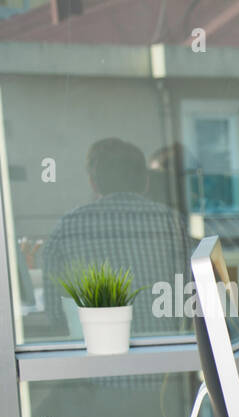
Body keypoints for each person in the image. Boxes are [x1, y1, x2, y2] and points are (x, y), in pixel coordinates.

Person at [41, 138, 192, 336]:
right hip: (162, 354)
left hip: (96, 357)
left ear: (93, 183)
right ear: (145, 181)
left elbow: (55, 313)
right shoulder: (171, 223)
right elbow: (191, 299)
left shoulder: (67, 227)